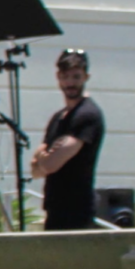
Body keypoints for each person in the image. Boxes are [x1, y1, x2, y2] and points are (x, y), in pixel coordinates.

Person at [32, 49, 105, 231]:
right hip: (54, 210)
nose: (70, 83)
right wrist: (45, 157)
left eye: (76, 76)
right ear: (58, 77)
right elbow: (35, 170)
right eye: (65, 77)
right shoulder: (57, 118)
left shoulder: (87, 115)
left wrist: (45, 157)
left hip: (77, 212)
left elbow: (49, 165)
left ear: (86, 77)